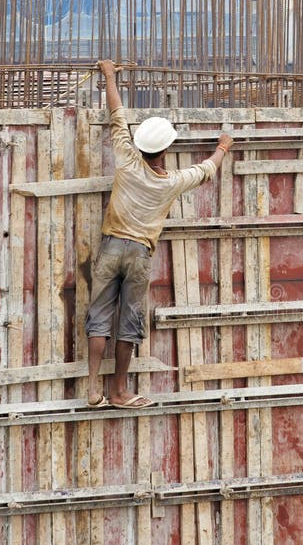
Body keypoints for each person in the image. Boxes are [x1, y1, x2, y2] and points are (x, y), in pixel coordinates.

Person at [86, 59, 233, 409]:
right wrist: (223, 146)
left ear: (142, 147)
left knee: (99, 318)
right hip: (138, 254)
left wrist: (108, 74)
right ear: (166, 150)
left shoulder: (126, 159)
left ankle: (94, 389)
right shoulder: (171, 183)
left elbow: (116, 113)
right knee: (129, 322)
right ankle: (120, 391)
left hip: (109, 247)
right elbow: (206, 170)